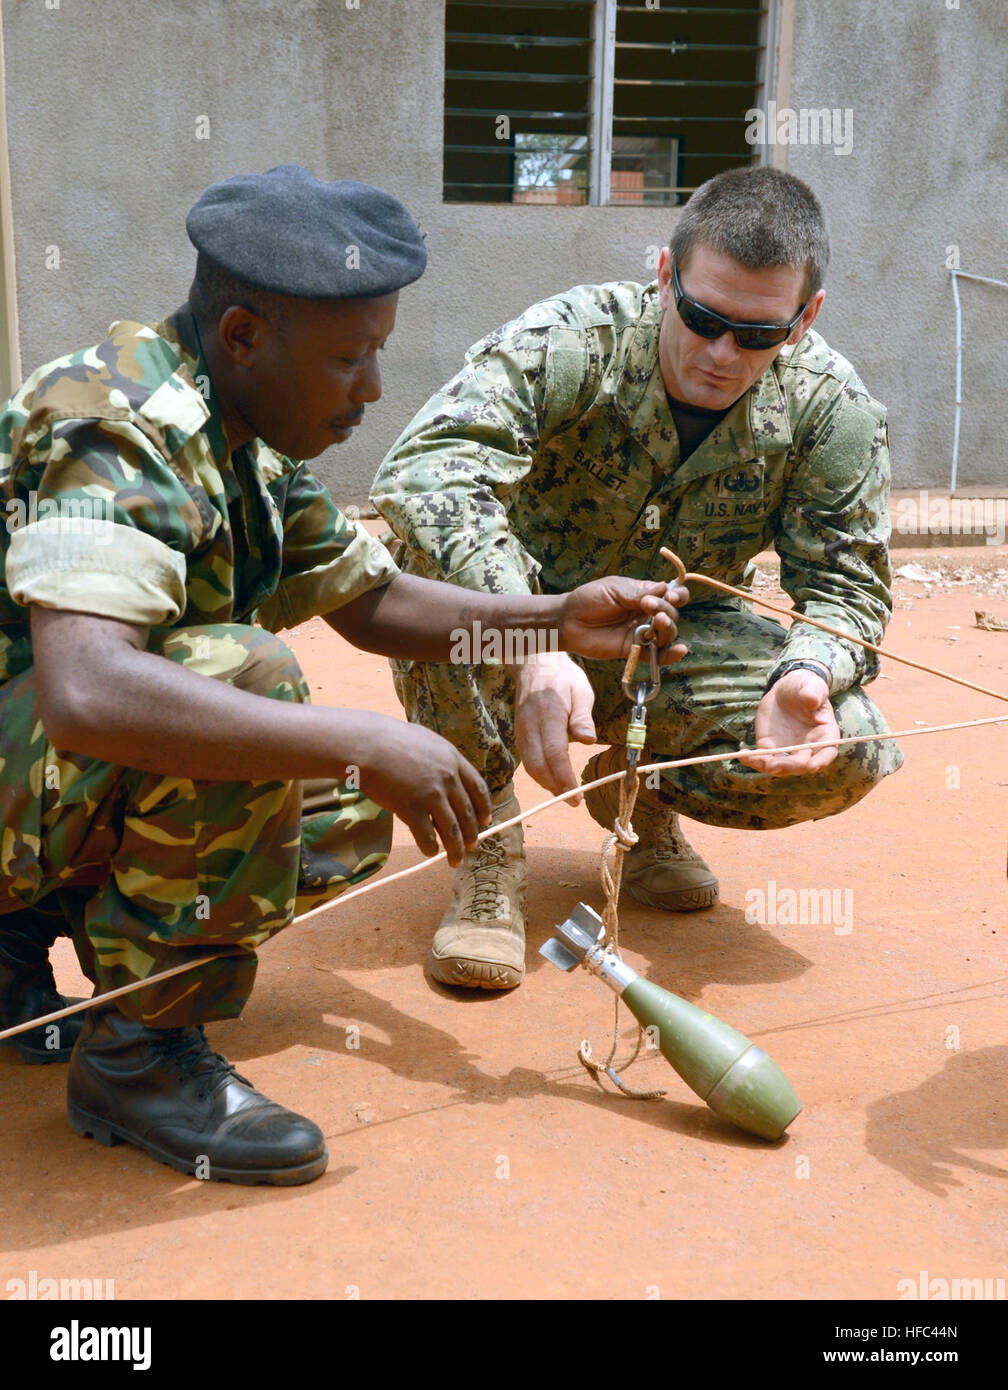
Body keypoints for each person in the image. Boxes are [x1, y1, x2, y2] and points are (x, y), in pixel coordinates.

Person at [0, 165, 686, 1185]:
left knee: (342, 810)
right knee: (255, 681)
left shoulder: (239, 431)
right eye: (349, 358)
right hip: (39, 751)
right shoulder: (114, 423)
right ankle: (140, 1056)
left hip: (30, 775)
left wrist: (555, 620)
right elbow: (88, 691)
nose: (371, 388)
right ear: (244, 334)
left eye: (378, 353)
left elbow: (373, 603)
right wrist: (364, 736)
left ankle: (16, 947)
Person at [371, 165, 903, 993]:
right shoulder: (574, 341)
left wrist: (806, 672)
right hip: (517, 630)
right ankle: (488, 841)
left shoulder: (831, 409)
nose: (722, 354)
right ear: (664, 275)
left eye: (758, 334)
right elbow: (425, 471)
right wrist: (534, 634)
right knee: (426, 566)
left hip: (665, 644)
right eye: (702, 318)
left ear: (806, 318)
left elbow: (849, 587)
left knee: (851, 744)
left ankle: (640, 794)